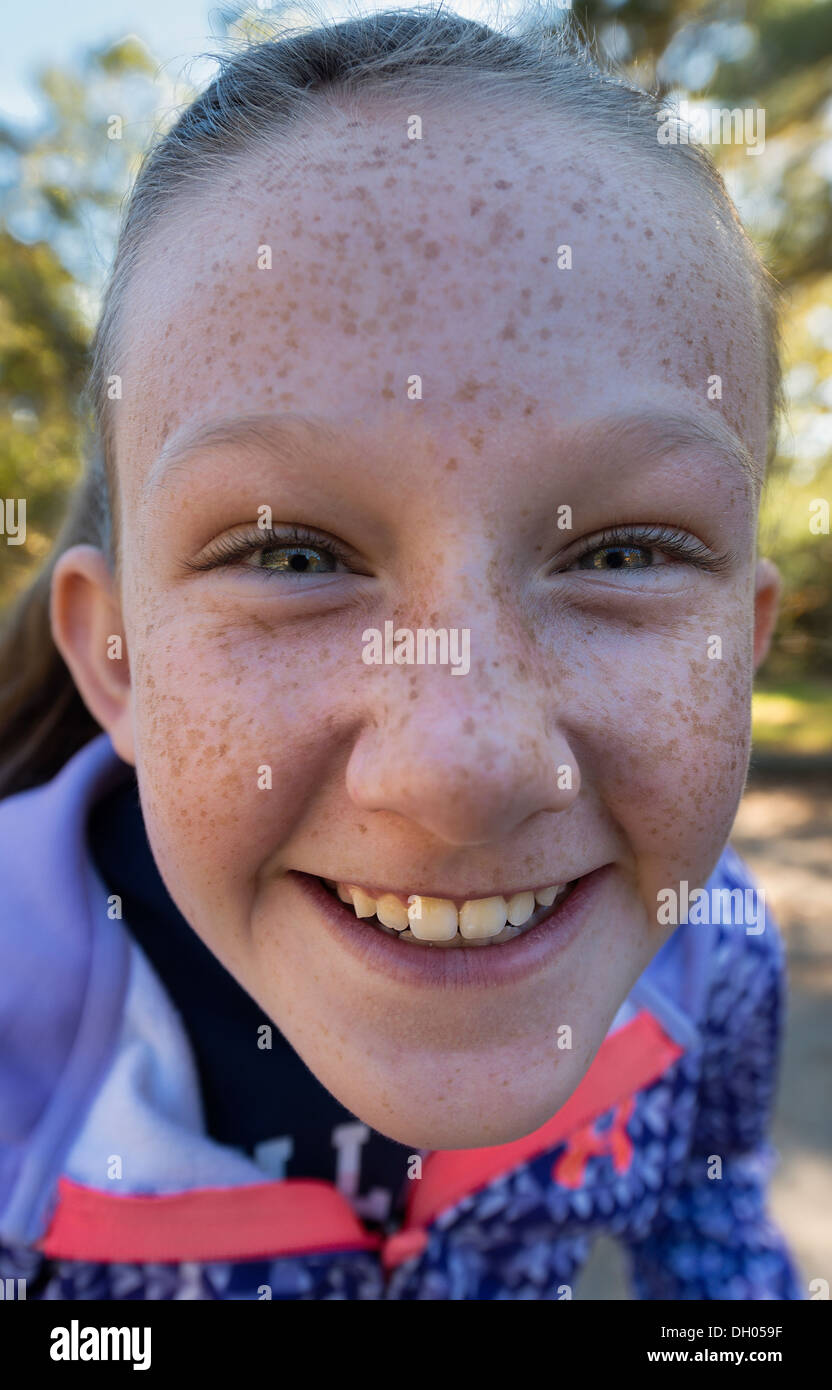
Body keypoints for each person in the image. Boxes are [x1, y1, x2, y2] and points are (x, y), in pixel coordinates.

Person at [0, 4, 804, 1299]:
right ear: (118, 661)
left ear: (741, 646)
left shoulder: (717, 962)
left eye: (621, 551)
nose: (463, 768)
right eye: (292, 554)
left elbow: (714, 1257)